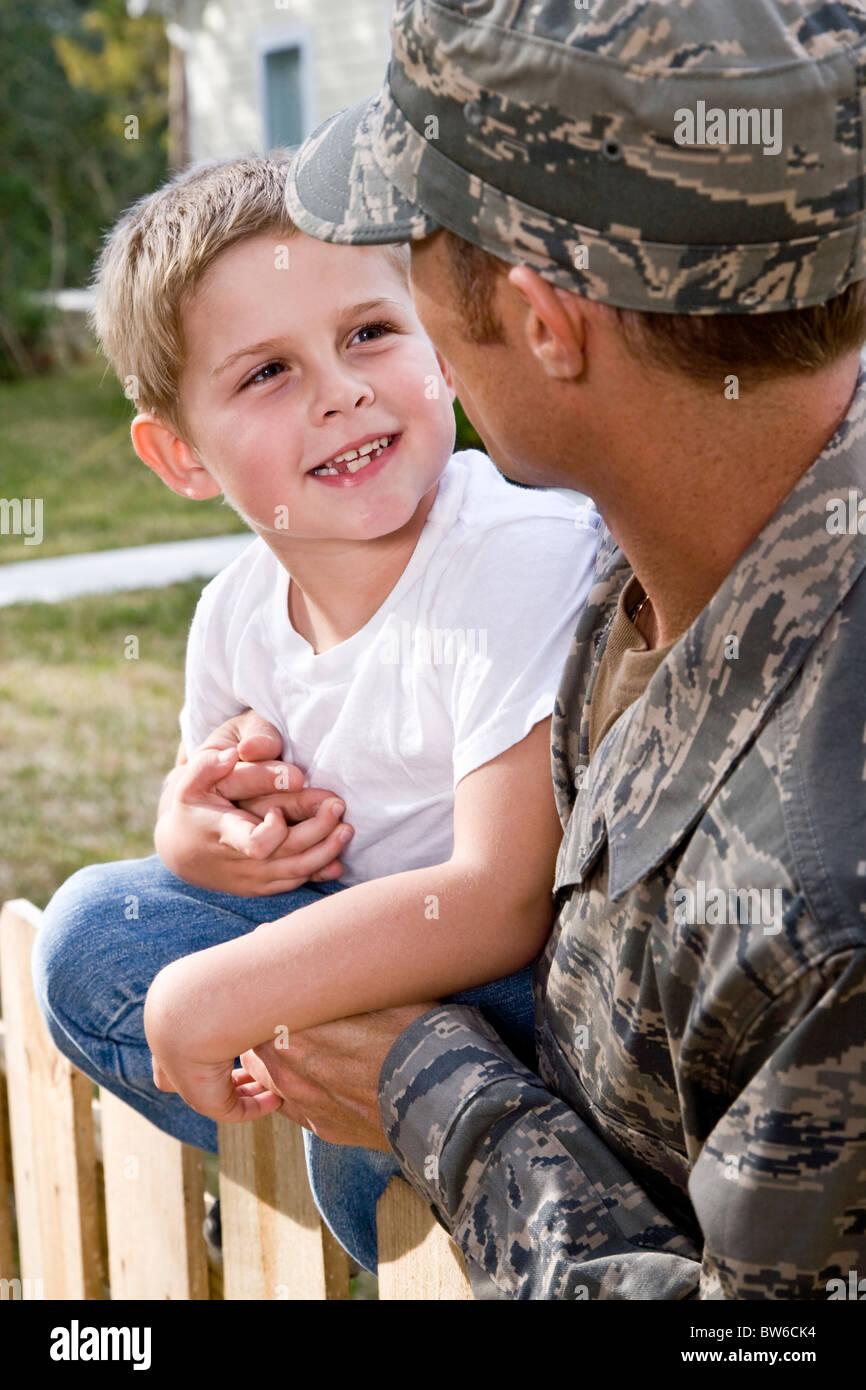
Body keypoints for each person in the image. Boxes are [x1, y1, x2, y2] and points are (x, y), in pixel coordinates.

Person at [202, 0, 865, 1299]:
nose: (407, 310)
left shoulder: (821, 881)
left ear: (547, 322)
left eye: (414, 245)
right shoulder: (673, 530)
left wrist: (435, 1097)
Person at [31, 151, 599, 1273]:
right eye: (266, 374)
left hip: (516, 994)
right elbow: (211, 814)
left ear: (435, 343)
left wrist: (216, 994)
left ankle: (366, 1167)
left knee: (354, 1057)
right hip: (347, 965)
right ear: (179, 454)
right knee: (89, 939)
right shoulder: (237, 614)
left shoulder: (510, 550)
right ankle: (333, 1143)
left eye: (368, 335)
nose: (340, 390)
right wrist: (197, 841)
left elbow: (500, 901)